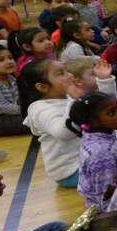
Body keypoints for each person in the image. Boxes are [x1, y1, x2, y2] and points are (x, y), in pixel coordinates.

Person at [20, 58, 83, 188]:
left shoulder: (69, 98)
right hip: (70, 171)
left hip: (87, 160)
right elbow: (65, 133)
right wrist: (74, 100)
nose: (70, 75)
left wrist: (105, 81)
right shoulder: (40, 109)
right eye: (61, 73)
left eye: (67, 70)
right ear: (42, 87)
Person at [67, 92, 117, 208]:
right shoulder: (102, 154)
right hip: (110, 211)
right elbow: (106, 195)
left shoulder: (98, 132)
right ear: (93, 122)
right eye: (111, 113)